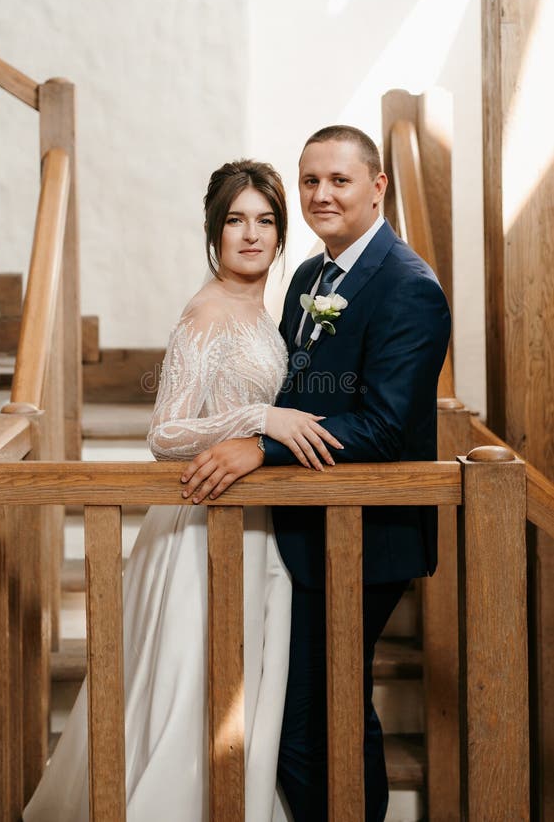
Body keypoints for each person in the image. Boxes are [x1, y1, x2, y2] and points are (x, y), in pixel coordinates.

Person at [23, 158, 342, 822]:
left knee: (237, 693)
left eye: (264, 220)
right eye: (235, 221)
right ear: (213, 231)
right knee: (191, 692)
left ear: (280, 234)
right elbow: (165, 433)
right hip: (200, 529)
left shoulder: (264, 310)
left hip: (257, 526)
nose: (250, 235)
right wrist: (258, 418)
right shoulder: (206, 311)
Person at [181, 126, 452, 821]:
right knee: (316, 711)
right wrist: (250, 422)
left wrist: (259, 446)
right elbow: (298, 391)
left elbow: (385, 425)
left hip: (369, 534)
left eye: (339, 180)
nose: (321, 194)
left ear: (377, 187)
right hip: (306, 526)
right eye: (309, 181)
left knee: (317, 718)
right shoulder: (308, 275)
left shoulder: (408, 286)